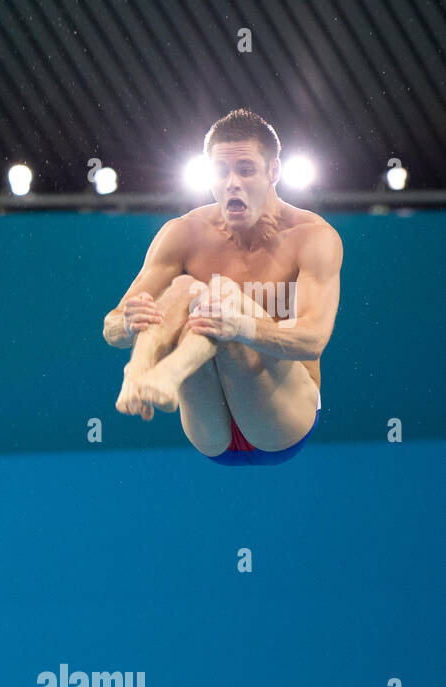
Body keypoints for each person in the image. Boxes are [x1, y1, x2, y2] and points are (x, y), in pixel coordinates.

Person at [104, 109, 342, 465]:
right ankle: (139, 371)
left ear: (273, 171)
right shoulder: (182, 233)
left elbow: (313, 340)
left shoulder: (313, 237)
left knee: (221, 295)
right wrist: (127, 323)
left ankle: (165, 372)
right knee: (185, 287)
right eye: (220, 171)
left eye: (245, 170)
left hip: (282, 420)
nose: (232, 182)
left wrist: (242, 328)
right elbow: (112, 328)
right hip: (210, 429)